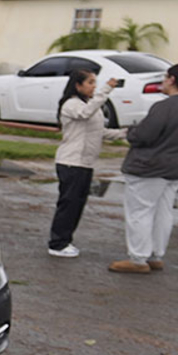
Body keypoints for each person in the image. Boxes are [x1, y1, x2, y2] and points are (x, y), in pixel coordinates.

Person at [111, 63, 178, 274]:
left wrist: (131, 132)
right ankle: (155, 255)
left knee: (140, 211)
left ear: (172, 80)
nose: (162, 81)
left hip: (151, 165)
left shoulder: (164, 107)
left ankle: (137, 259)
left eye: (165, 77)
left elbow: (144, 135)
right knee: (163, 211)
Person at [49, 69, 125, 258]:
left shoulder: (91, 105)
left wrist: (125, 133)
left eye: (95, 83)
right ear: (78, 85)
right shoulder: (72, 105)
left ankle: (66, 240)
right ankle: (57, 243)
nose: (94, 86)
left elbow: (100, 131)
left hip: (86, 164)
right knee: (68, 204)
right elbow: (84, 114)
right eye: (90, 82)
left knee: (77, 205)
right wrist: (107, 90)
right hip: (71, 162)